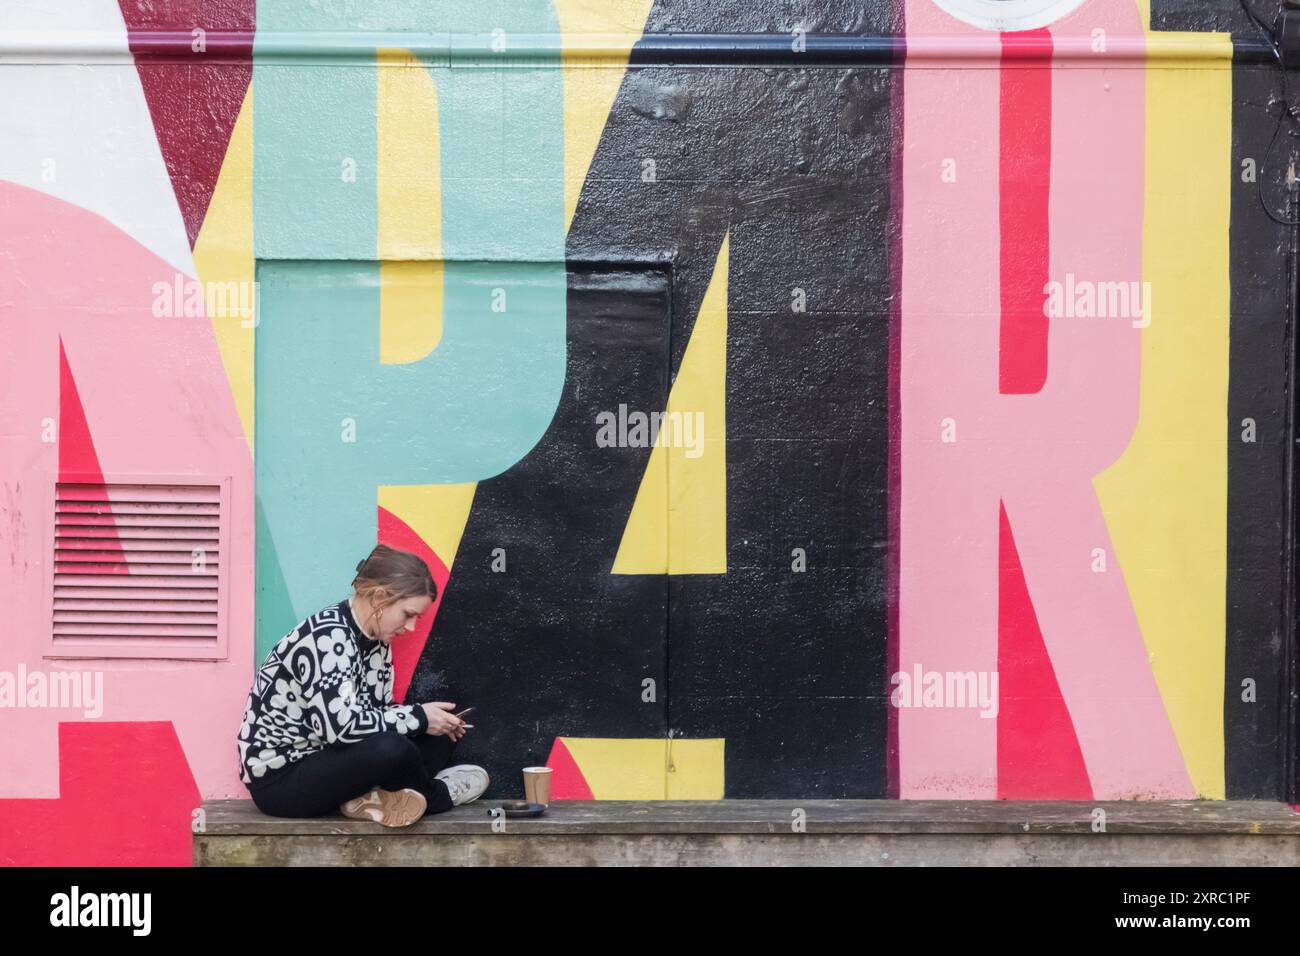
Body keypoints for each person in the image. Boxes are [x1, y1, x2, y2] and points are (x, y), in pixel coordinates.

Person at [236, 543, 488, 827]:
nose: (411, 627)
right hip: (281, 780)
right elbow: (340, 729)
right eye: (408, 614)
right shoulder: (328, 637)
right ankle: (437, 796)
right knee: (393, 747)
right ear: (380, 597)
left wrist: (428, 722)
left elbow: (376, 715)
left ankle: (368, 799)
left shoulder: (377, 642)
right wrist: (417, 717)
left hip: (329, 760)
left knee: (438, 738)